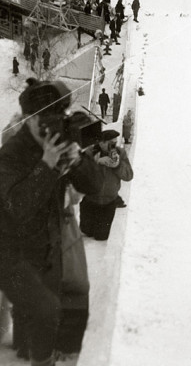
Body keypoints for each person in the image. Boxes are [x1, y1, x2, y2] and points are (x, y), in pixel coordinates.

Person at [0, 79, 104, 366]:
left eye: (57, 117)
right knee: (42, 311)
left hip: (49, 247)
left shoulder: (59, 142)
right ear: (29, 119)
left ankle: (32, 352)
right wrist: (46, 165)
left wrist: (77, 161)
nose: (52, 127)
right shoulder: (10, 154)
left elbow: (95, 187)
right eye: (45, 120)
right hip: (13, 252)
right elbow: (16, 208)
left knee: (46, 314)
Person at [79, 130, 133, 241]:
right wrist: (96, 162)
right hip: (90, 200)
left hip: (108, 202)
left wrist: (118, 166)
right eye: (110, 143)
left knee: (101, 236)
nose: (113, 147)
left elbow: (128, 176)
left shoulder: (120, 153)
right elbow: (80, 175)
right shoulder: (90, 153)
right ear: (101, 142)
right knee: (86, 231)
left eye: (115, 143)